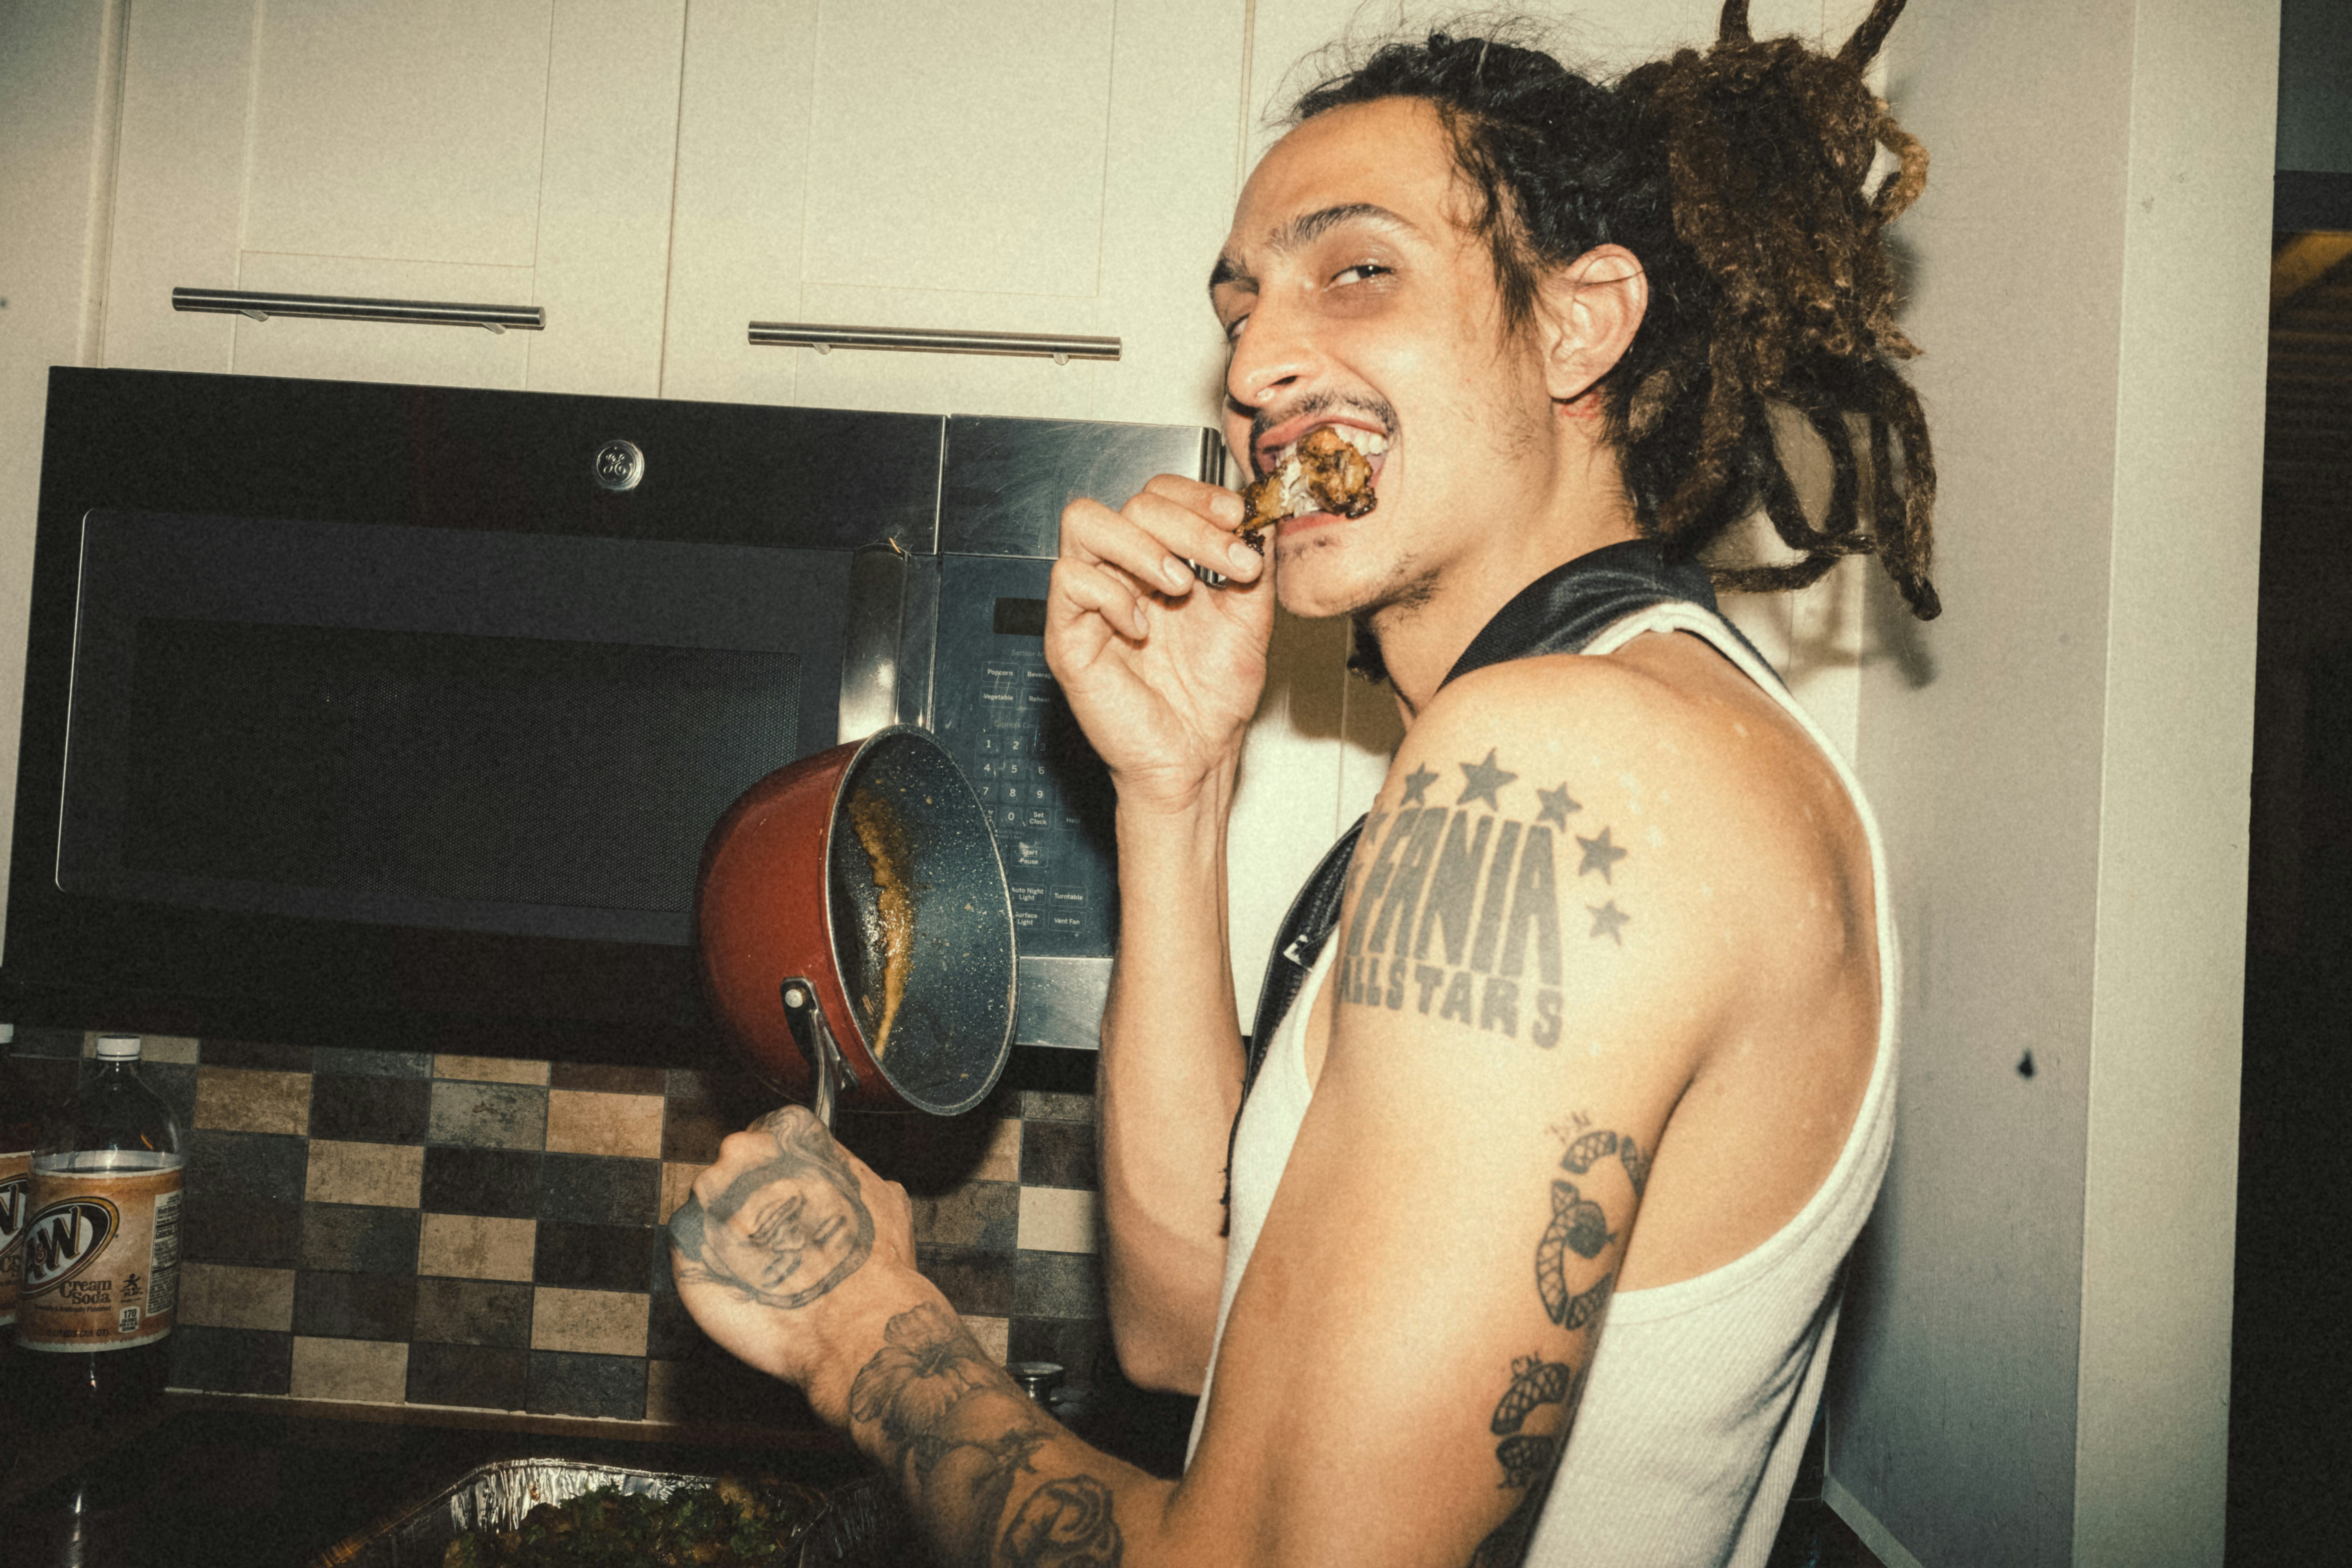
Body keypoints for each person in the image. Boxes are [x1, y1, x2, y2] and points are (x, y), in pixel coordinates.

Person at [668, 1, 1938, 1562]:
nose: (1258, 365)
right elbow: (1186, 1330)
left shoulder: (1568, 766)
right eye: (1242, 306)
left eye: (1357, 273)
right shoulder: (1580, 734)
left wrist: (862, 1332)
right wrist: (1174, 789)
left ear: (1581, 324)